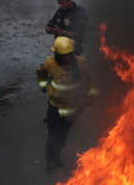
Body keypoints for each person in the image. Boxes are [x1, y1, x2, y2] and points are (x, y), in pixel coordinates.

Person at [36, 36, 92, 176]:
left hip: (72, 109)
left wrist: (89, 95)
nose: (66, 58)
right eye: (62, 56)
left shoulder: (80, 64)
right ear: (57, 54)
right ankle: (50, 161)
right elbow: (41, 73)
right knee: (52, 136)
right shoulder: (50, 64)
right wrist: (44, 86)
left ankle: (58, 156)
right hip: (55, 107)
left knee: (62, 135)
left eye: (68, 55)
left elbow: (90, 80)